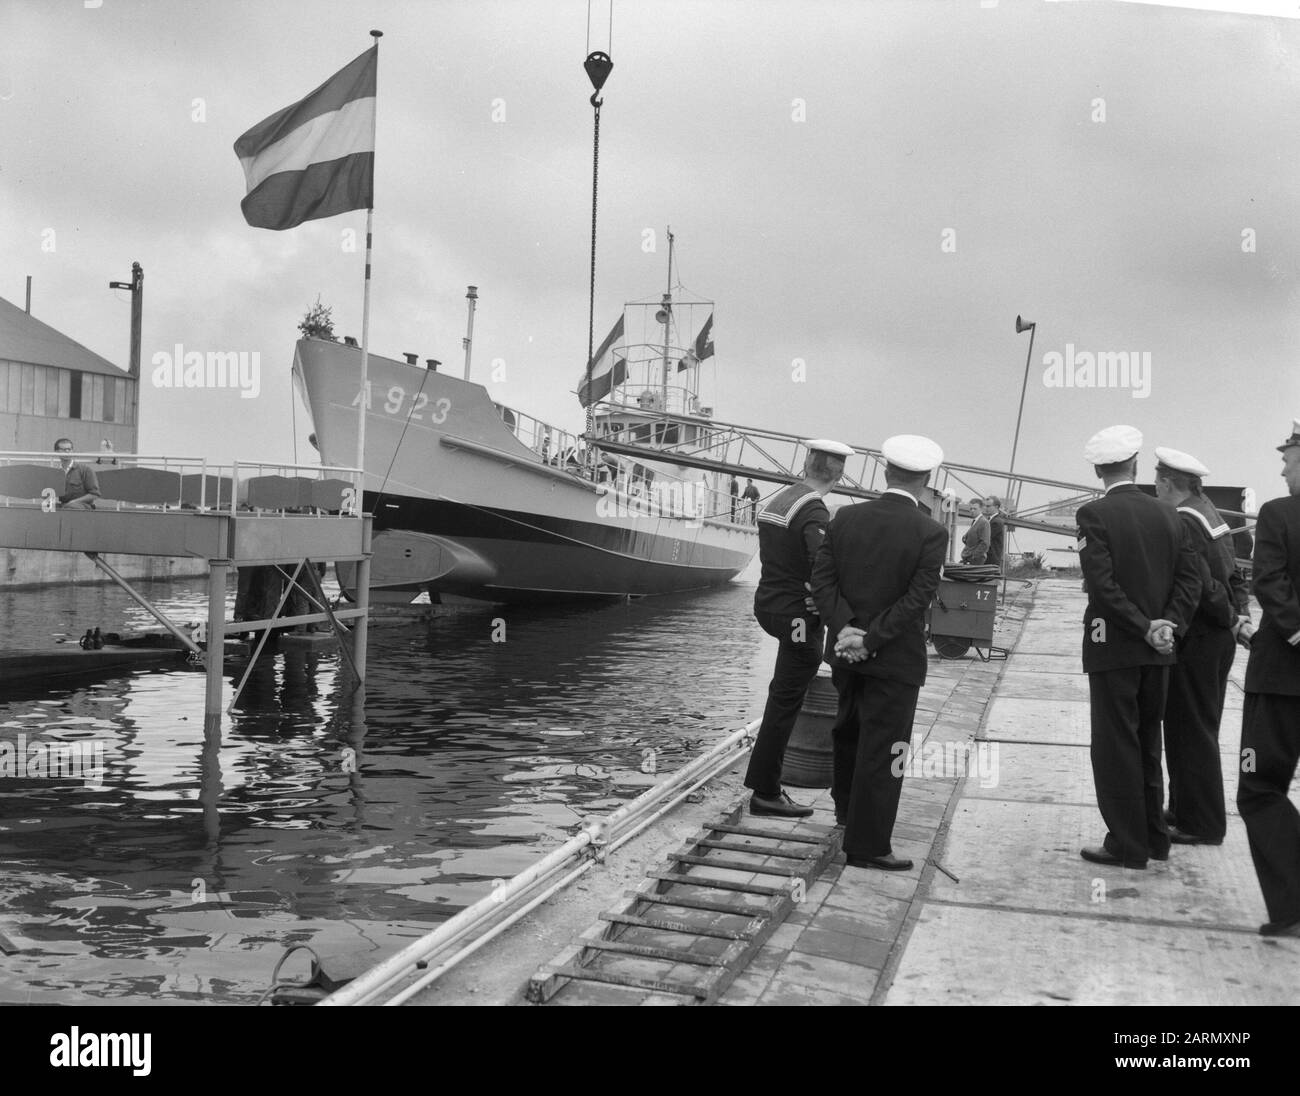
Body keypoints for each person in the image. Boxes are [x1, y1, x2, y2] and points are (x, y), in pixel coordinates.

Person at [811, 434, 947, 870]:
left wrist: (847, 629)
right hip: (894, 660)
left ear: (886, 472)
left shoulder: (844, 518)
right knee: (886, 749)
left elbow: (823, 581)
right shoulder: (931, 531)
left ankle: (845, 814)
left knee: (847, 732)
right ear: (927, 479)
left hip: (845, 653)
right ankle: (868, 846)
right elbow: (917, 599)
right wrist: (871, 640)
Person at [1076, 426, 1200, 870]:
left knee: (1114, 747)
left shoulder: (1093, 515)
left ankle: (1126, 844)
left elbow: (1103, 587)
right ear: (1135, 465)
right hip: (1160, 650)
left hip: (1115, 649)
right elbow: (1192, 580)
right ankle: (1154, 839)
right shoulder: (1171, 515)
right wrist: (1169, 627)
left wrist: (1142, 626)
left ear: (1098, 469)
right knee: (1149, 743)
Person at [745, 439, 853, 817]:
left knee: (783, 693)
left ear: (807, 461)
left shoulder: (780, 499)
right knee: (785, 700)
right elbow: (822, 567)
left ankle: (766, 783)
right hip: (796, 620)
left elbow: (784, 558)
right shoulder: (815, 512)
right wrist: (825, 602)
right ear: (839, 473)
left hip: (770, 607)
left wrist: (808, 589)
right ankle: (765, 792)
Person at [1153, 447, 1242, 847]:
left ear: (1168, 483)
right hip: (1217, 637)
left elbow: (1202, 585)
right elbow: (1234, 572)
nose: (1155, 489)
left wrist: (1225, 617)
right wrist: (1239, 615)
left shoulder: (1185, 520)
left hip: (1202, 638)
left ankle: (1202, 824)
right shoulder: (1208, 510)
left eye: (1157, 481)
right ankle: (1184, 806)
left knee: (1192, 731)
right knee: (1193, 726)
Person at [1237, 418, 1300, 937]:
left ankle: (1294, 906)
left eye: (1288, 457)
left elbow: (1269, 578)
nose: (1282, 468)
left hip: (1282, 678)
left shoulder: (1280, 514)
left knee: (1259, 788)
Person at [54, 438, 100, 509]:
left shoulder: (85, 470)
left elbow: (94, 494)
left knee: (70, 506)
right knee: (46, 508)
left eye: (69, 449)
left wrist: (74, 502)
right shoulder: (56, 472)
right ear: (56, 452)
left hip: (83, 506)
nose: (67, 452)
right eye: (64, 449)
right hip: (64, 505)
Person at [959, 498, 990, 564]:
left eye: (975, 509)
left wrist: (973, 557)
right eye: (971, 509)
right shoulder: (975, 521)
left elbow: (985, 543)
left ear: (981, 509)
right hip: (969, 559)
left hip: (976, 561)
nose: (972, 511)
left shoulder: (984, 522)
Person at [984, 496, 1006, 570]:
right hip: (990, 559)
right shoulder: (991, 520)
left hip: (991, 559)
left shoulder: (996, 522)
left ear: (996, 507)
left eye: (988, 506)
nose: (986, 508)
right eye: (985, 506)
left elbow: (985, 538)